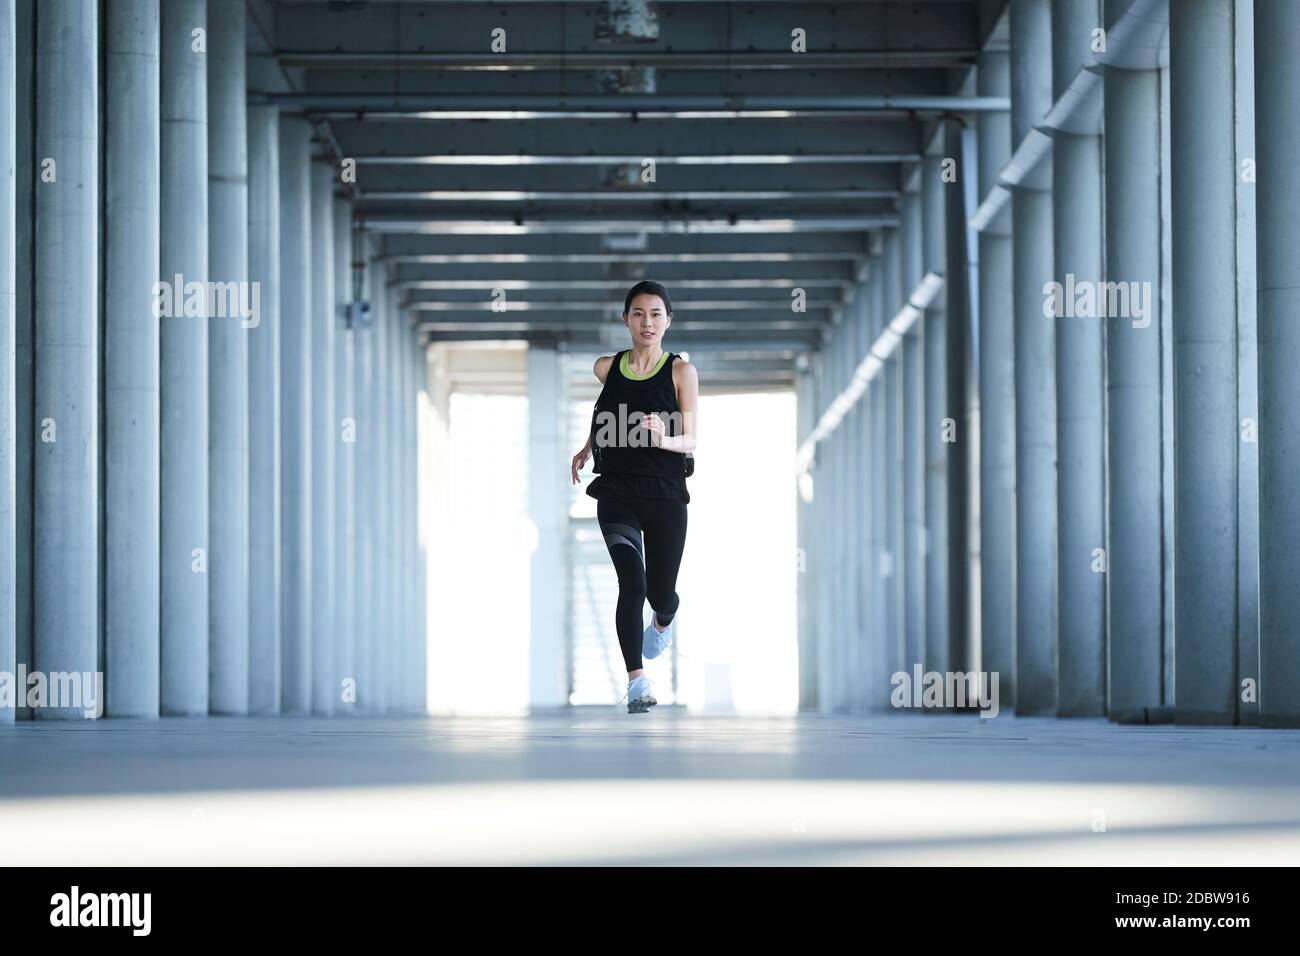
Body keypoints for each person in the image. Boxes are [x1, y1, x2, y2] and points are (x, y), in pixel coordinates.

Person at [570, 280, 698, 714]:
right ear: (626, 318)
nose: (648, 322)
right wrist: (589, 445)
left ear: (668, 321)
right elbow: (607, 408)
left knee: (660, 594)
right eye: (639, 313)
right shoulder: (606, 367)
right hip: (618, 489)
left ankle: (662, 620)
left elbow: (692, 439)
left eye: (656, 314)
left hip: (664, 492)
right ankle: (637, 681)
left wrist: (667, 436)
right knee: (632, 582)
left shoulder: (681, 371)